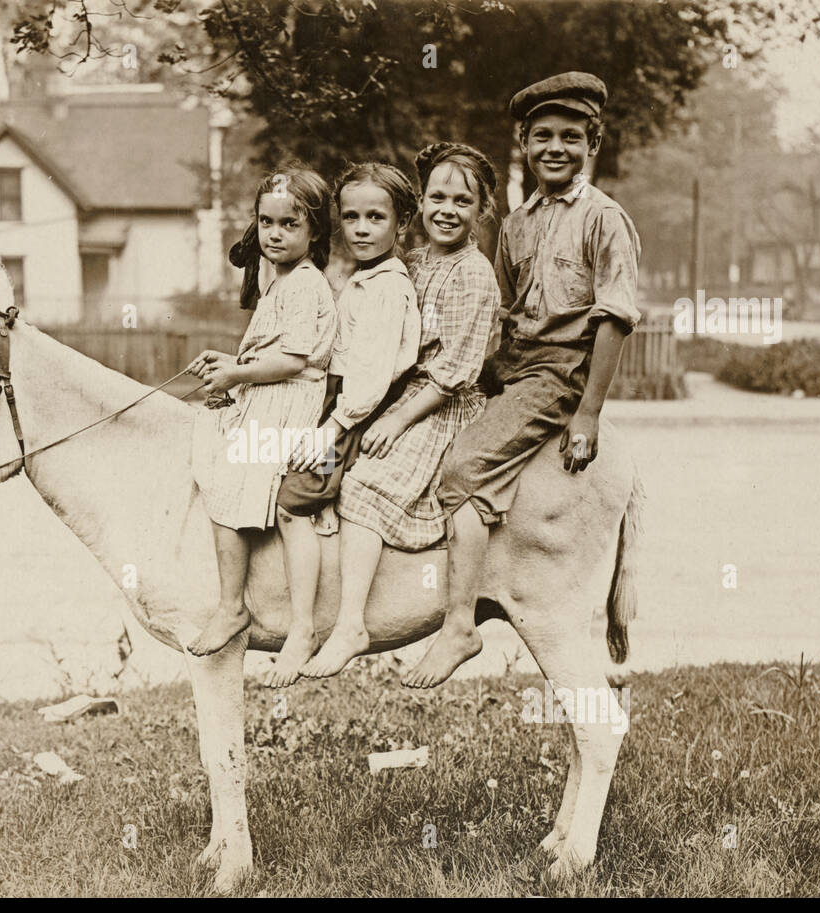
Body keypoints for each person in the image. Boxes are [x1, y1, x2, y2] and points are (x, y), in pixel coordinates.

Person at [402, 71, 642, 689]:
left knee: (461, 468)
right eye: (541, 137)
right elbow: (503, 314)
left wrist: (587, 413)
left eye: (569, 137)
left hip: (560, 372)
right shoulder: (515, 223)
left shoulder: (604, 219)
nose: (554, 149)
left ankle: (459, 624)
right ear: (525, 145)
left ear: (593, 145)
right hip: (513, 362)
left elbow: (613, 319)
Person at [297, 143, 500, 680]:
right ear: (422, 204)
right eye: (438, 197)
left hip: (441, 404)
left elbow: (454, 368)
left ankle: (350, 624)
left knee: (367, 481)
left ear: (482, 211)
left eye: (463, 200)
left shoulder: (473, 273)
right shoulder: (414, 261)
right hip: (400, 391)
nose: (447, 210)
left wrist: (394, 419)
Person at [266, 163, 422, 687]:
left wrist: (333, 427)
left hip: (360, 408)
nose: (360, 228)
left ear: (401, 224)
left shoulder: (386, 288)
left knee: (290, 500)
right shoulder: (362, 277)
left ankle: (303, 627)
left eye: (376, 217)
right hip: (339, 397)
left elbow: (373, 375)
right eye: (351, 216)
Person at [187, 166, 338, 656]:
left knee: (228, 479)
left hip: (290, 405)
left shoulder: (305, 284)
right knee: (205, 442)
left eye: (290, 224)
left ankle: (234, 606)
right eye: (267, 222)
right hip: (274, 394)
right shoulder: (281, 280)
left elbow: (294, 359)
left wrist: (236, 375)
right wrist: (230, 362)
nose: (275, 234)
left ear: (314, 231)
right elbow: (273, 350)